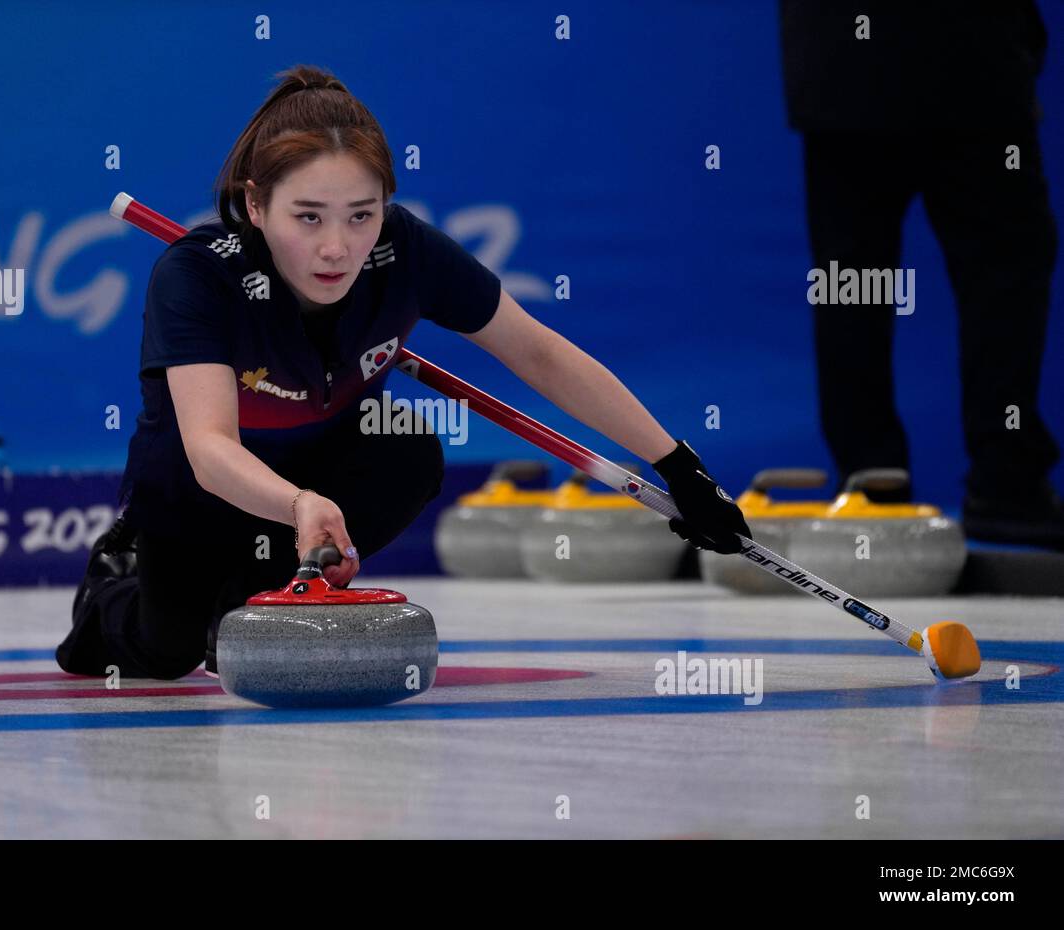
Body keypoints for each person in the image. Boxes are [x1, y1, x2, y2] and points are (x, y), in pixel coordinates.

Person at [56, 64, 751, 681]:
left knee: (408, 449)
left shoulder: (406, 254)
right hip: (201, 491)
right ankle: (114, 583)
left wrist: (678, 465)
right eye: (308, 217)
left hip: (325, 469)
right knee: (166, 650)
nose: (337, 247)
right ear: (257, 204)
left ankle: (249, 600)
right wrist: (299, 504)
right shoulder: (196, 277)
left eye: (362, 215)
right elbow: (208, 449)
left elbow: (538, 352)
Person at [781, 1, 1064, 549]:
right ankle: (1002, 483)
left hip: (847, 67)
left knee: (855, 284)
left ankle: (873, 486)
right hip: (965, 59)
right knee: (999, 271)